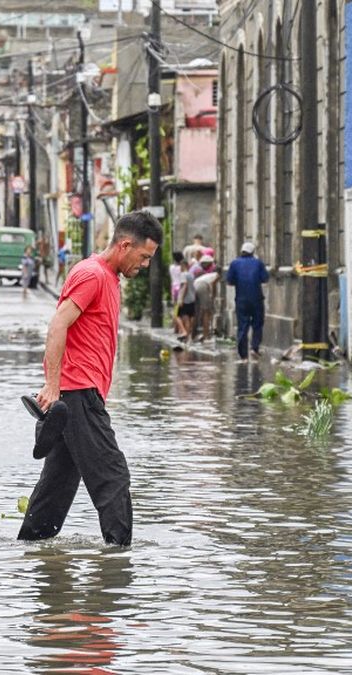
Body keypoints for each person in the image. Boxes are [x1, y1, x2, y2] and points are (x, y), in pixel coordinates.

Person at [18, 210, 163, 547]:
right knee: (113, 475)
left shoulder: (108, 278)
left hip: (79, 396)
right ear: (125, 245)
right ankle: (119, 561)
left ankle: (30, 548)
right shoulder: (92, 275)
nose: (145, 265)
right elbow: (58, 324)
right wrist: (52, 385)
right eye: (143, 257)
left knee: (58, 482)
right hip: (78, 392)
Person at [225, 241, 269, 360]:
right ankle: (254, 348)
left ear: (242, 252)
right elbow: (265, 279)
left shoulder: (234, 264)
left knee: (242, 325)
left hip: (241, 299)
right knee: (257, 324)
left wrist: (238, 282)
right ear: (253, 252)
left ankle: (243, 354)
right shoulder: (258, 263)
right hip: (257, 299)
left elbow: (229, 281)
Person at [193, 258, 221, 342]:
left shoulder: (208, 275)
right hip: (202, 286)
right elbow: (213, 285)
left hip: (195, 284)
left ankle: (193, 334)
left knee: (197, 312)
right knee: (207, 312)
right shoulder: (217, 275)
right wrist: (213, 296)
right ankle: (206, 335)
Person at [176, 264, 197, 340]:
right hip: (192, 298)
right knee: (190, 317)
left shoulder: (183, 274)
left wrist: (181, 298)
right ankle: (188, 337)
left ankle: (185, 332)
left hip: (185, 299)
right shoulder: (191, 275)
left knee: (178, 316)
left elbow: (185, 285)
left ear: (182, 266)